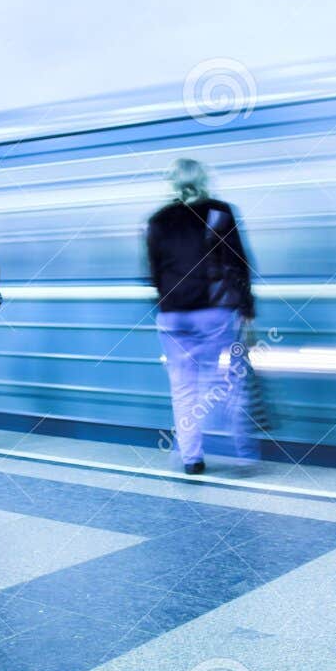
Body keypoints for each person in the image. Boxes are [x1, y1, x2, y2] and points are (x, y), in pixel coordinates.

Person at [145, 158, 258, 475]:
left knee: (183, 389)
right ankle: (244, 454)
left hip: (173, 317)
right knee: (231, 381)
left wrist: (167, 301)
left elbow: (153, 273)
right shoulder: (220, 212)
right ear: (204, 179)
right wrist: (248, 310)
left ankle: (191, 458)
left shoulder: (158, 220)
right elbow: (239, 265)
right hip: (215, 315)